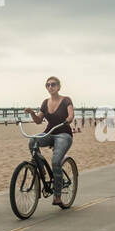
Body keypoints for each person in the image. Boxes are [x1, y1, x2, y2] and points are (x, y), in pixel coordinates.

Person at [24, 76, 74, 205]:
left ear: (58, 86)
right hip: (49, 133)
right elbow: (38, 121)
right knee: (32, 141)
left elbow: (71, 115)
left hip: (63, 134)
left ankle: (57, 196)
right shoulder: (45, 102)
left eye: (53, 84)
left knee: (56, 161)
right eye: (48, 85)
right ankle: (42, 169)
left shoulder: (66, 100)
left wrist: (68, 120)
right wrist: (31, 113)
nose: (50, 87)